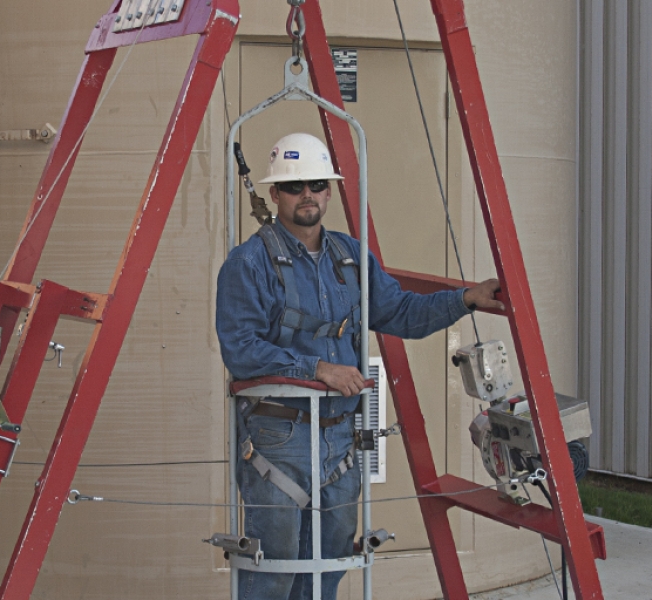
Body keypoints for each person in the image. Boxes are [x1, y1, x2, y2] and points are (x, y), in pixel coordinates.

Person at [215, 133, 504, 600]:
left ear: (329, 190)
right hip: (277, 438)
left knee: (331, 564)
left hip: (340, 438)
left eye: (316, 183)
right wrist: (318, 369)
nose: (306, 194)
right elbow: (240, 348)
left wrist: (465, 300)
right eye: (294, 186)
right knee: (274, 569)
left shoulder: (350, 257)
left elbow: (400, 312)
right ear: (274, 195)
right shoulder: (248, 264)